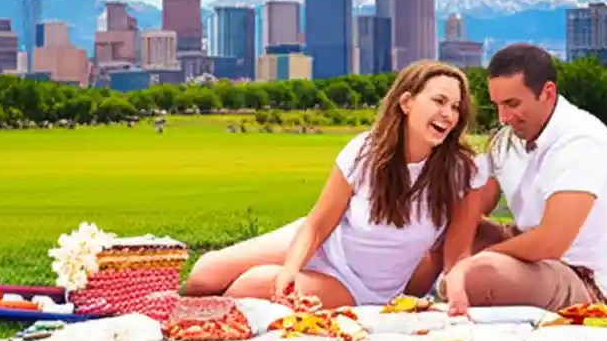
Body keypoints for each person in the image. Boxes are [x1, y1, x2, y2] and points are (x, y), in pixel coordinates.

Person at [183, 61, 487, 308]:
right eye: (439, 101)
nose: (448, 114)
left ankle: (197, 316)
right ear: (406, 102)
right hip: (326, 243)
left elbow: (457, 251)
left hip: (357, 286)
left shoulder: (463, 172)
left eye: (456, 107)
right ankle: (175, 306)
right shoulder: (365, 151)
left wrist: (456, 289)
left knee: (248, 287)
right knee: (204, 274)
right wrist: (291, 267)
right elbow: (317, 224)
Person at [439, 43, 607, 315]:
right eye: (497, 105)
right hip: (525, 251)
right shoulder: (508, 139)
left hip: (576, 274)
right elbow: (474, 202)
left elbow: (551, 242)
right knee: (437, 227)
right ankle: (455, 284)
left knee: (481, 275)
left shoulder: (582, 140)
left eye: (512, 104)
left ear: (547, 93)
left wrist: (468, 266)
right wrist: (455, 264)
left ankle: (466, 281)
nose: (503, 117)